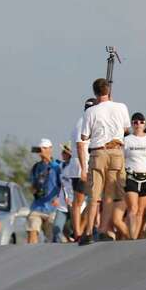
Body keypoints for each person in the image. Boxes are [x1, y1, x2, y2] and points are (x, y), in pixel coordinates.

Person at [77, 78, 131, 246]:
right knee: (109, 195)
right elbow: (126, 128)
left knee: (94, 196)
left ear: (95, 93)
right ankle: (103, 230)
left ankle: (88, 232)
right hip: (116, 152)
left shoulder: (90, 111)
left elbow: (84, 136)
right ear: (109, 91)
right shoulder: (121, 107)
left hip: (99, 152)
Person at [63, 96, 94, 242]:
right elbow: (80, 145)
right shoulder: (83, 122)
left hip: (83, 165)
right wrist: (84, 168)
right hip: (82, 166)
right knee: (79, 201)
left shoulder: (85, 121)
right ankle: (77, 233)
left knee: (93, 200)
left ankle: (79, 230)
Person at [26, 138, 62, 244]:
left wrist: (59, 198)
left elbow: (64, 185)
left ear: (51, 149)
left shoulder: (57, 166)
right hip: (37, 207)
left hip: (52, 209)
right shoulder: (36, 167)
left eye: (45, 148)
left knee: (50, 238)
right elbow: (31, 188)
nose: (42, 151)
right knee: (32, 230)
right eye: (41, 149)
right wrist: (35, 188)